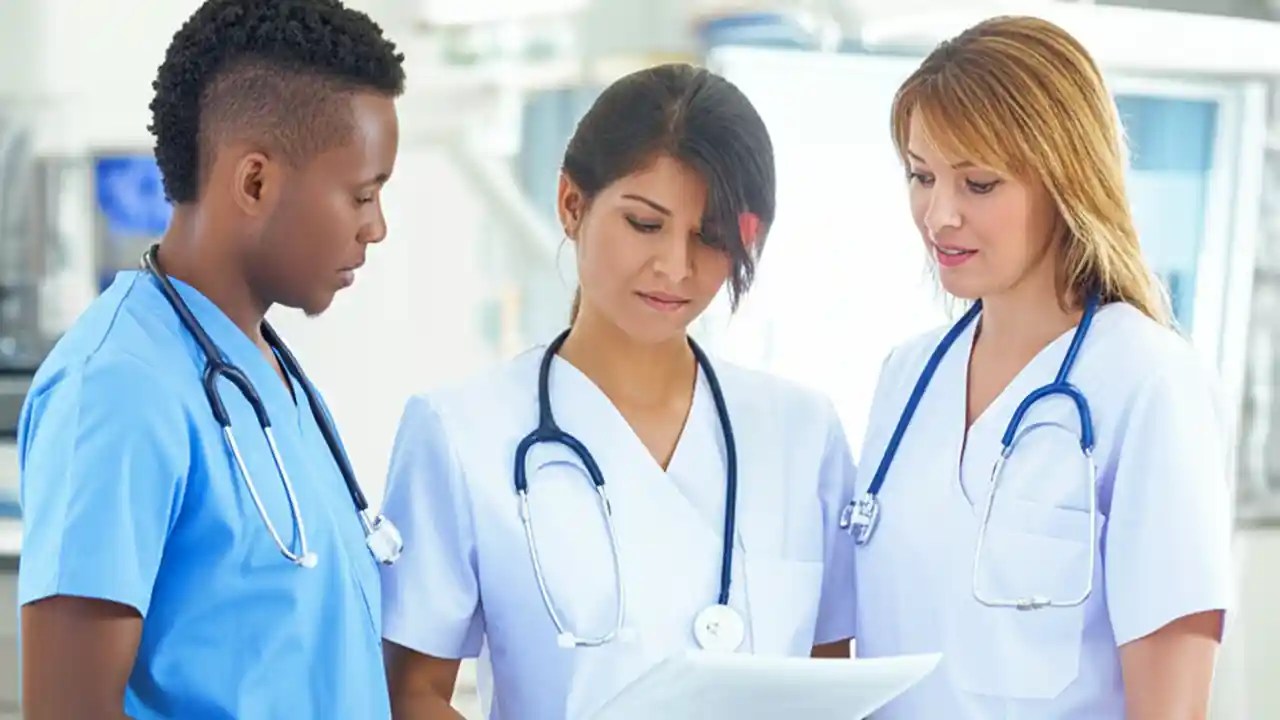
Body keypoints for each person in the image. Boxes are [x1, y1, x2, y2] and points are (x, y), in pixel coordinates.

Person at [379, 62, 857, 719]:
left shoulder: (802, 432)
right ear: (571, 204)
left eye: (710, 237)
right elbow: (411, 693)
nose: (675, 267)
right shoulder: (461, 431)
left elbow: (828, 681)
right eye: (644, 223)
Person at [16, 1, 406, 718]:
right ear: (255, 182)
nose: (375, 228)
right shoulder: (118, 389)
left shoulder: (267, 378)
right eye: (362, 195)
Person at [844, 15, 1232, 719]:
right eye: (922, 176)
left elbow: (1170, 708)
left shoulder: (1147, 381)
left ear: (1066, 180)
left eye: (979, 183)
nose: (939, 215)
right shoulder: (907, 377)